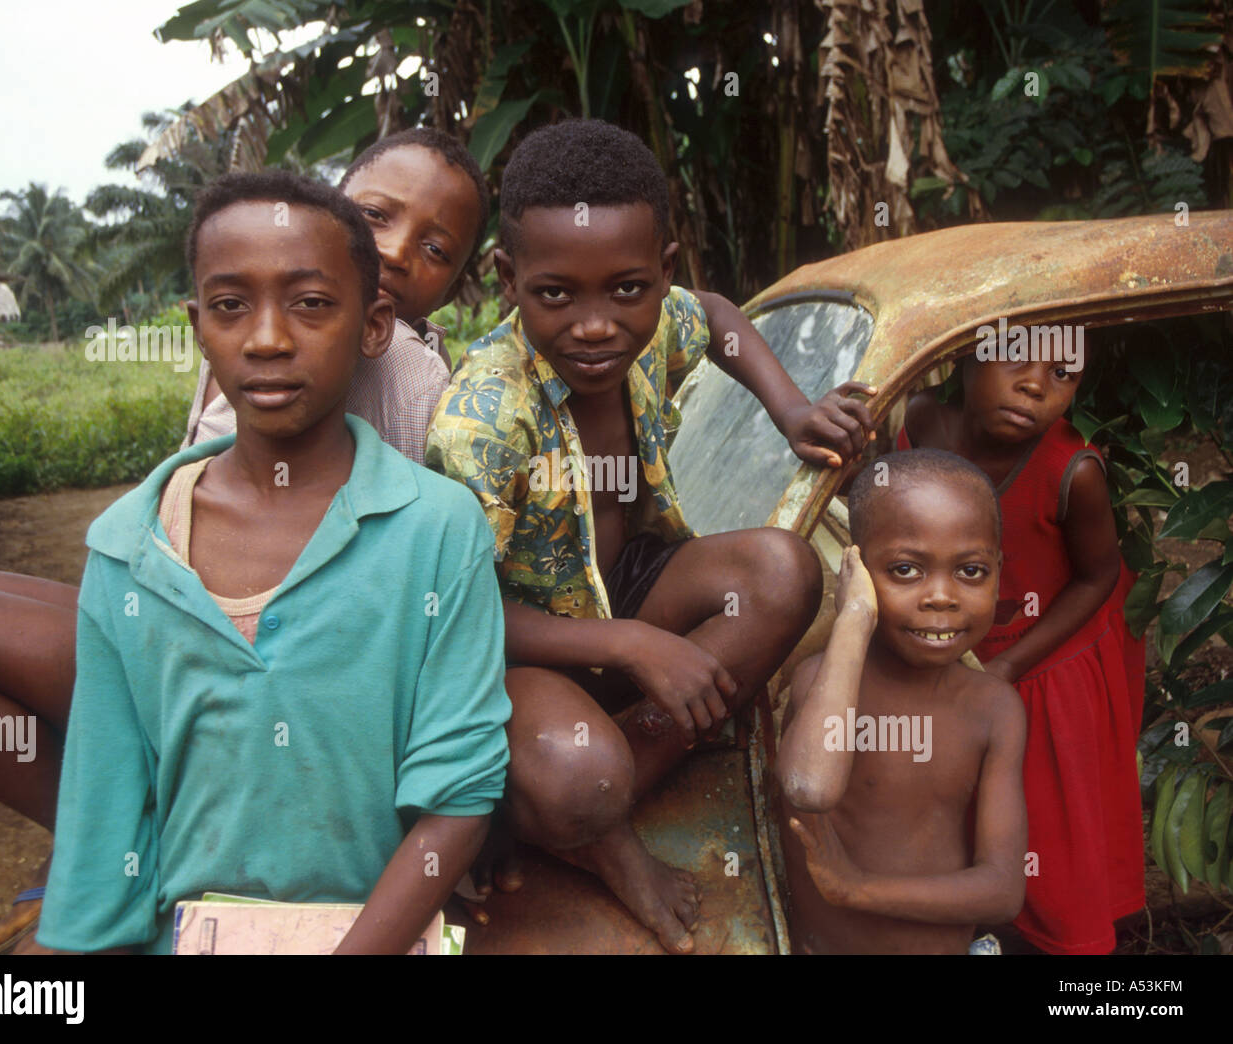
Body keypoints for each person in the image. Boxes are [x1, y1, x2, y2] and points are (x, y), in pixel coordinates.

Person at [0, 128, 490, 950]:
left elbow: (456, 788)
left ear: (373, 322)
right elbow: (105, 795)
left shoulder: (435, 499)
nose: (266, 337)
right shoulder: (128, 542)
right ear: (198, 323)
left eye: (309, 303)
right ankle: (166, 860)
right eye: (232, 307)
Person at [427, 118, 875, 954]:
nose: (595, 325)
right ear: (506, 278)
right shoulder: (484, 418)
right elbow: (454, 618)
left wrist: (792, 412)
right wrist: (631, 645)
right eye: (556, 294)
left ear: (660, 270)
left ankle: (589, 794)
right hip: (521, 643)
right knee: (582, 773)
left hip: (630, 575)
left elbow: (715, 317)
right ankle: (597, 828)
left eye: (626, 290)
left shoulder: (662, 316)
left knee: (780, 574)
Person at [896, 349, 1145, 954]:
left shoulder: (1071, 470)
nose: (1036, 386)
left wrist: (1007, 667)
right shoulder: (922, 424)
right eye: (1016, 360)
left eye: (1064, 374)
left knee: (1051, 835)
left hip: (1044, 664)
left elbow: (1098, 577)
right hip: (951, 651)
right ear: (964, 354)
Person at [778, 449, 1027, 954]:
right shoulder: (824, 686)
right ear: (858, 569)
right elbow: (809, 787)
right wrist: (853, 618)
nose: (941, 596)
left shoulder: (993, 709)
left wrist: (856, 888)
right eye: (906, 570)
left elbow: (1003, 891)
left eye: (972, 571)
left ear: (999, 568)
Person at [185, 127, 489, 463]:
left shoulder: (418, 365)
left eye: (435, 249)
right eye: (373, 215)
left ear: (453, 291)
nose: (394, 253)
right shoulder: (258, 320)